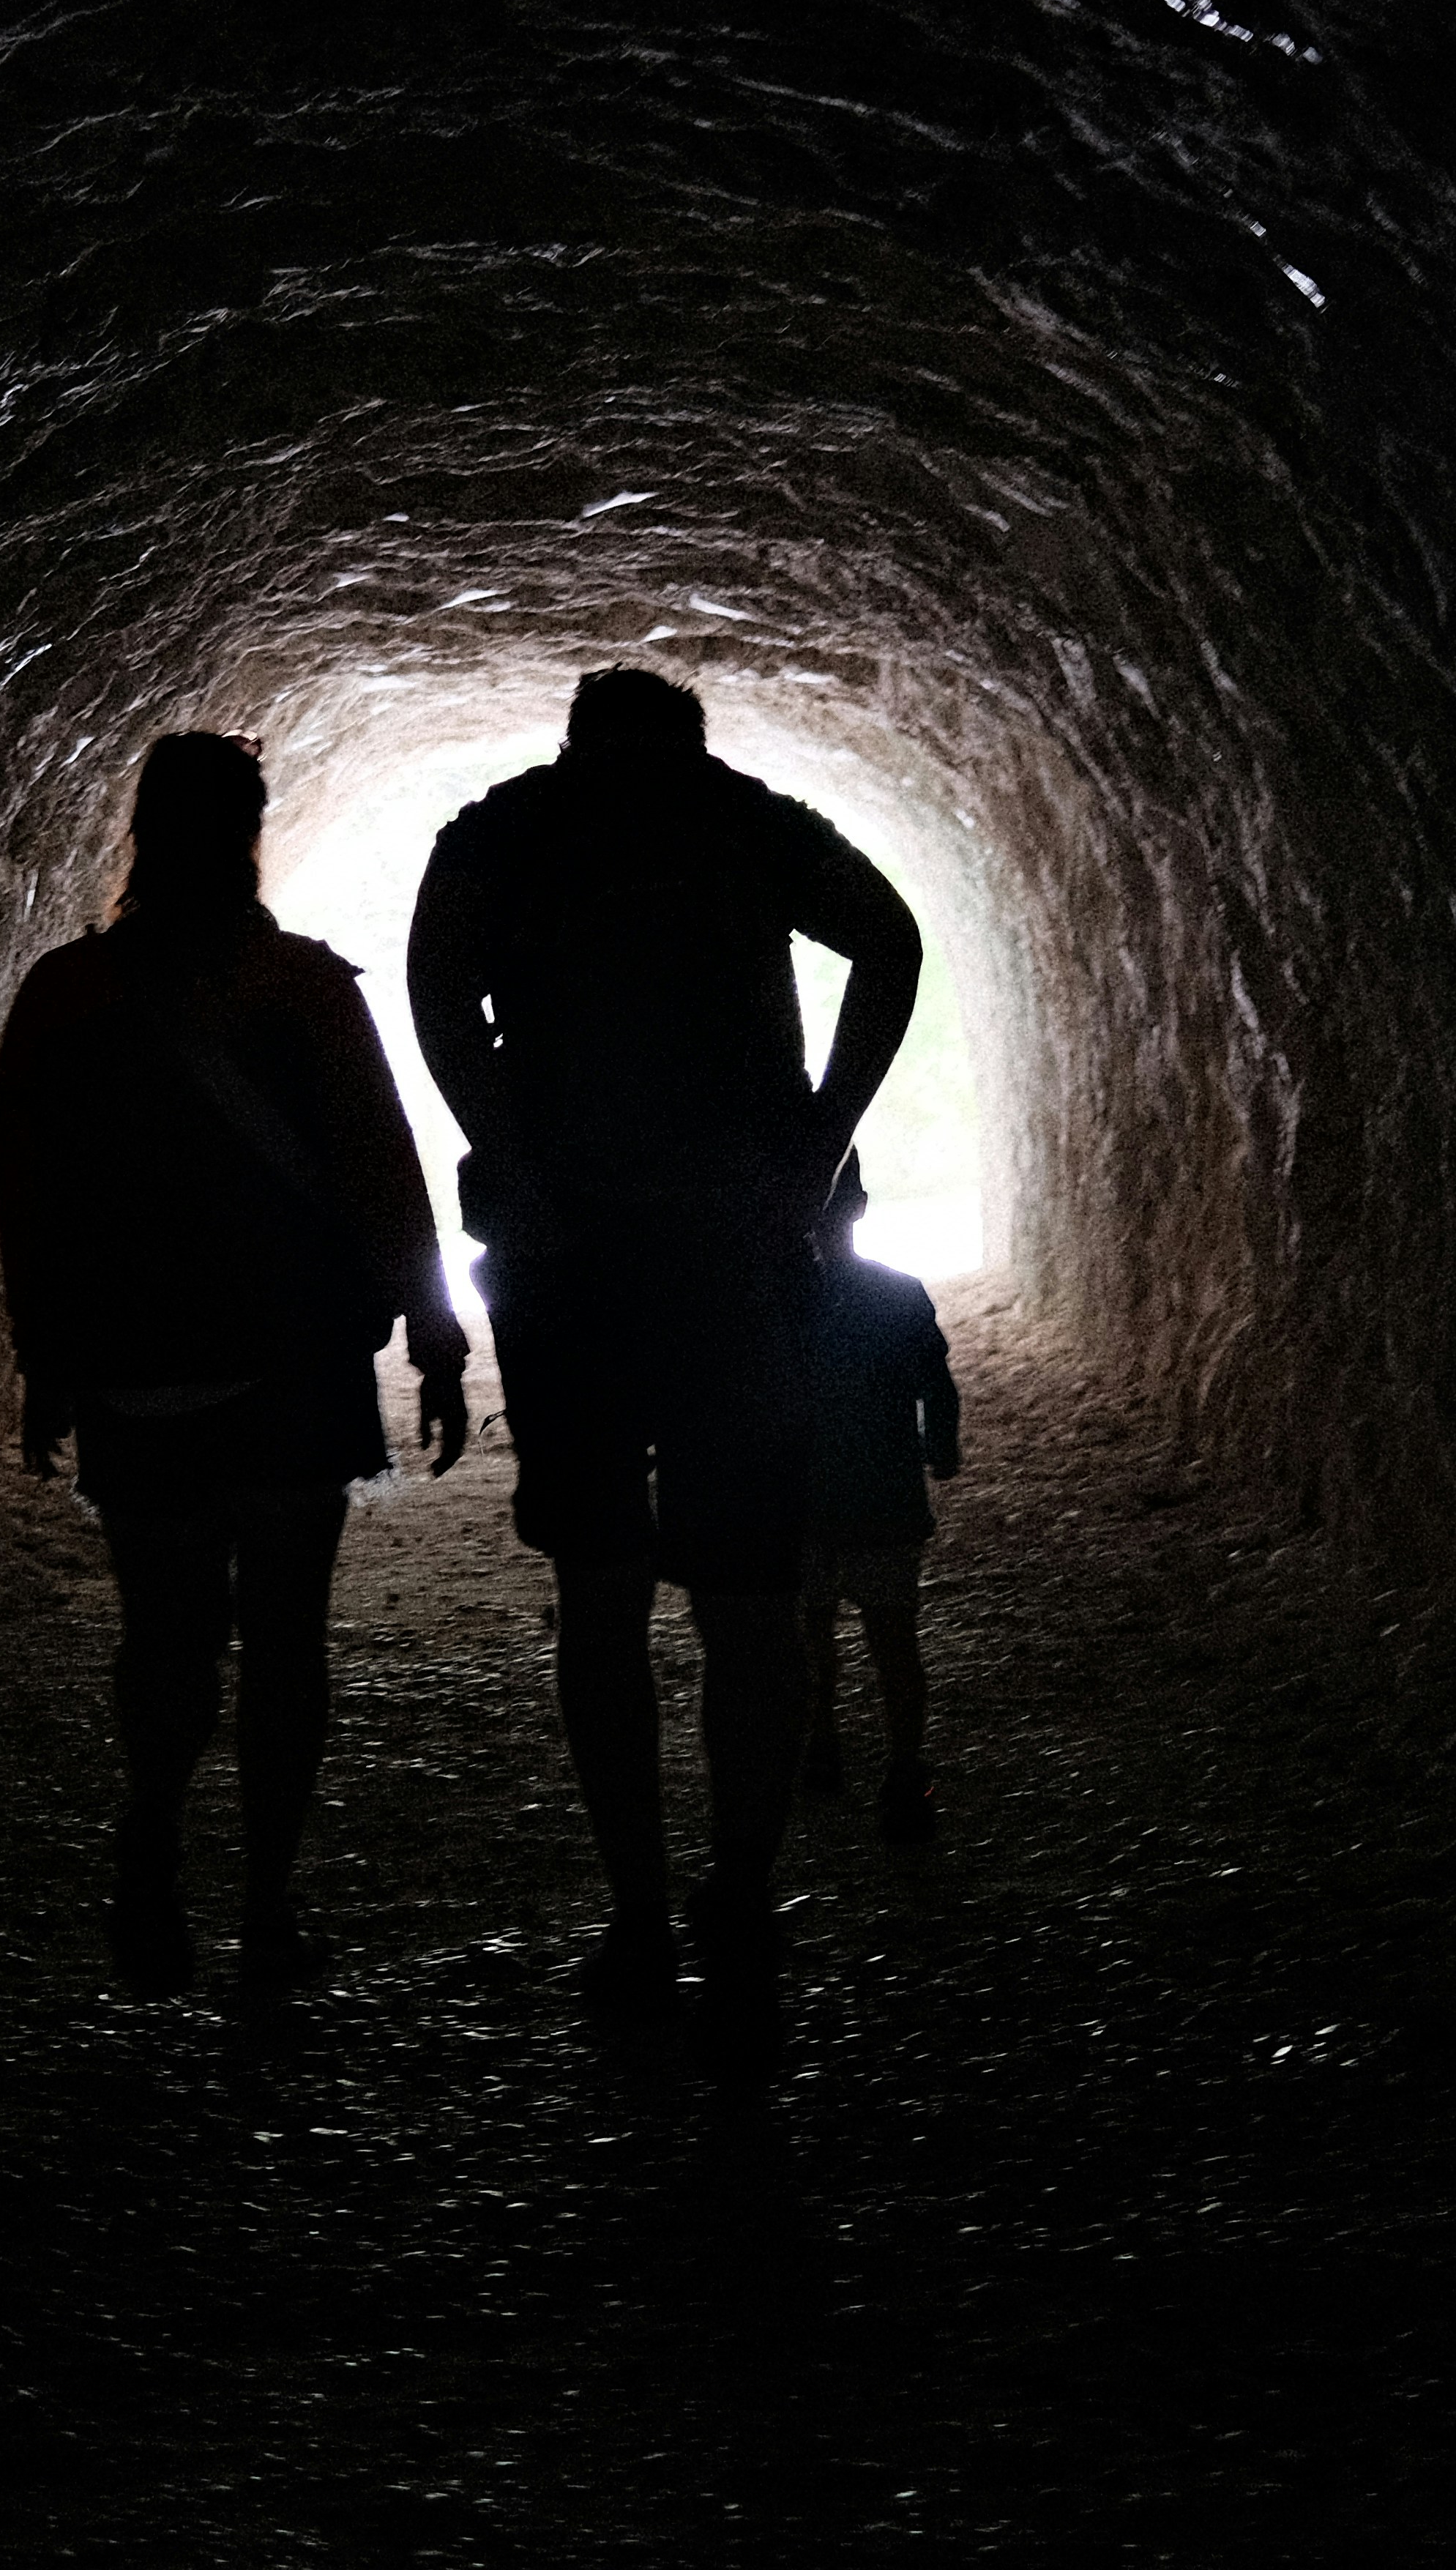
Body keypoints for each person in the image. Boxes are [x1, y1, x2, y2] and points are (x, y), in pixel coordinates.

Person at [406, 668, 921, 1998]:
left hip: (572, 1260)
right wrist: (818, 1141)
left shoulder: (509, 830)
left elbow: (436, 990)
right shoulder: (748, 822)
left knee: (600, 1590)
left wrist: (507, 1150)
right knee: (747, 1592)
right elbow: (892, 941)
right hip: (735, 1257)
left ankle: (639, 1902)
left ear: (576, 744)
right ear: (694, 745)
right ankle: (737, 1889)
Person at [0, 732, 472, 1992]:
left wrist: (46, 1361)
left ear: (141, 832)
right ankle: (265, 1903)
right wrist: (431, 1332)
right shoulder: (304, 991)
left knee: (165, 1635)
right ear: (250, 831)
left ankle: (150, 1847)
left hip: (136, 1368)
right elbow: (381, 1165)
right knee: (286, 1638)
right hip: (292, 1367)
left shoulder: (64, 995)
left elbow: (32, 1194)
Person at [795, 1152, 959, 1842]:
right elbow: (936, 1385)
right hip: (884, 1496)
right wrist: (940, 1448)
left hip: (803, 1500)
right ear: (861, 1206)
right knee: (894, 1641)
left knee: (813, 1633)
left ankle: (823, 1743)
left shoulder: (775, 1306)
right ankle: (904, 1770)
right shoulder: (898, 1294)